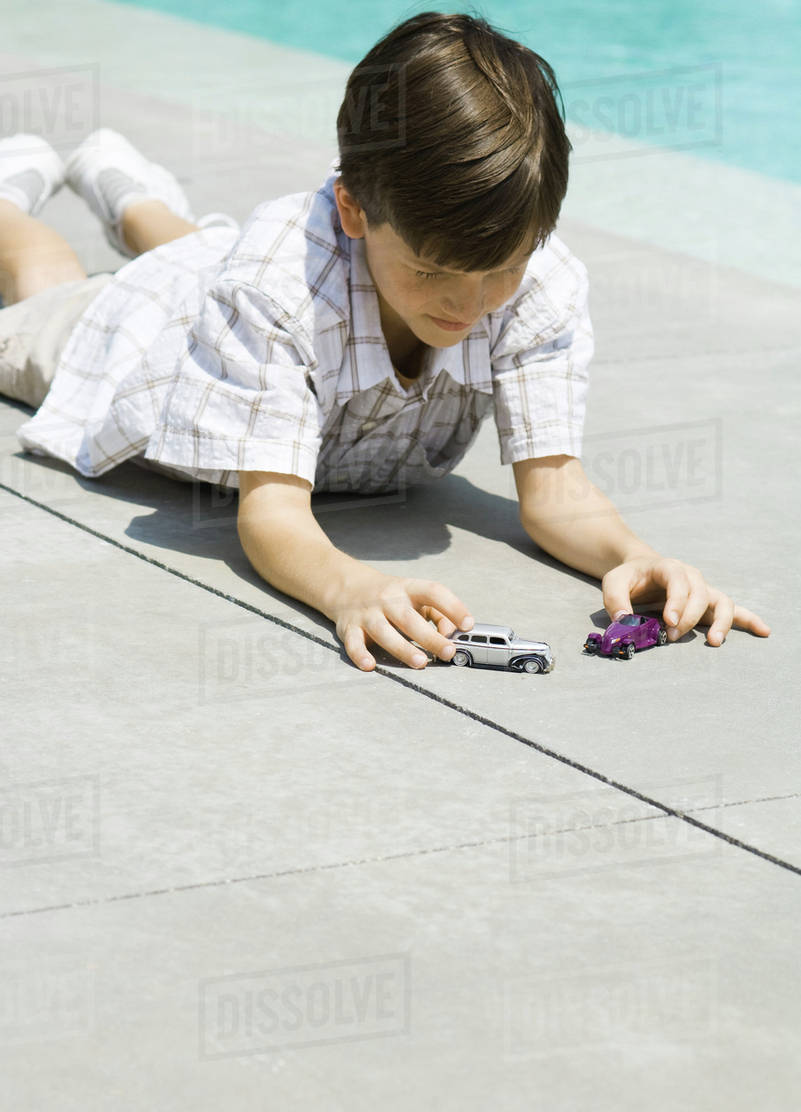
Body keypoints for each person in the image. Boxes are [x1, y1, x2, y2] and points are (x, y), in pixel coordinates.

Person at [0, 12, 769, 670]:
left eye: (500, 269)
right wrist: (348, 587)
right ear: (352, 207)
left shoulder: (537, 279)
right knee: (48, 287)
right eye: (434, 270)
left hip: (224, 271)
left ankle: (127, 191)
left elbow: (556, 489)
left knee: (204, 252)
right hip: (140, 341)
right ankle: (15, 197)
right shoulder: (273, 289)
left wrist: (629, 555)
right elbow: (270, 515)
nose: (469, 305)